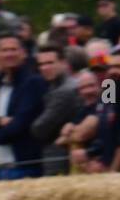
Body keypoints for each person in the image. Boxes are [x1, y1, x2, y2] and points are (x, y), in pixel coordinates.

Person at [0, 34, 47, 179]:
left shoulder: (33, 83)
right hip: (1, 167)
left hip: (26, 167)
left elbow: (19, 125)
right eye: (4, 50)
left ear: (23, 53)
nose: (9, 54)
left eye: (13, 49)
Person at [30, 44, 83, 175]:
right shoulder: (54, 87)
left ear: (64, 63)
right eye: (41, 64)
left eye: (50, 63)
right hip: (61, 156)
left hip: (61, 158)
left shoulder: (64, 91)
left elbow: (39, 128)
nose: (44, 68)